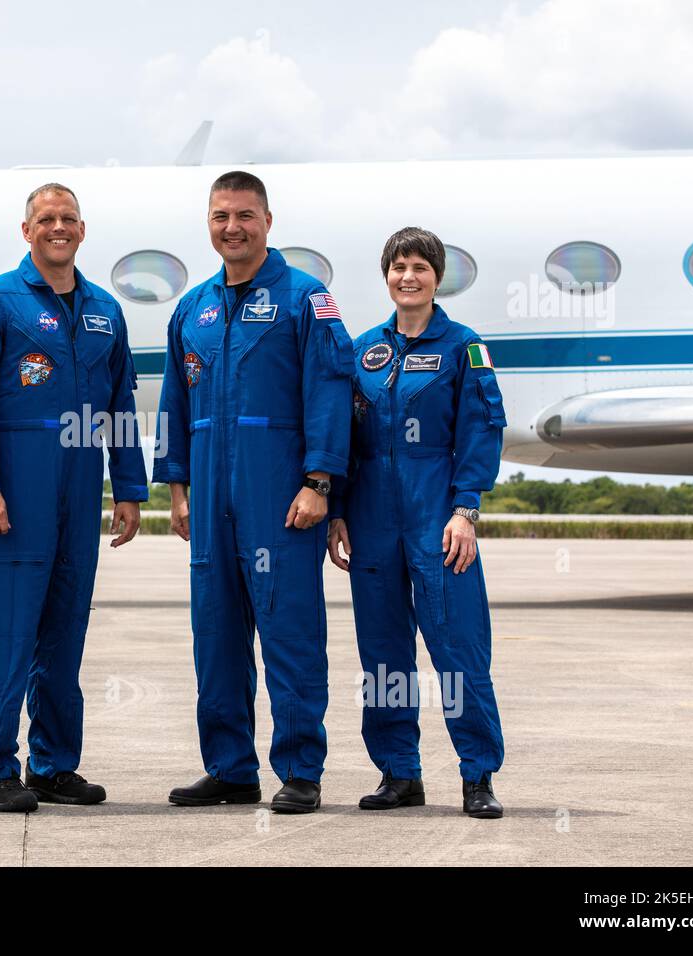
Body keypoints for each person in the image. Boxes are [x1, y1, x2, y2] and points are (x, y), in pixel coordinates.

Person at [154, 171, 354, 814]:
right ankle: (231, 768)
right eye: (220, 217)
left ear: (268, 220)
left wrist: (319, 482)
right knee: (214, 634)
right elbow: (175, 404)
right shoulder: (194, 308)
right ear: (208, 224)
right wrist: (177, 485)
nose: (232, 227)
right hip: (211, 498)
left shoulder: (305, 299)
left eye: (244, 215)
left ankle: (300, 769)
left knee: (290, 629)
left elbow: (330, 390)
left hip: (280, 496)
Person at [0, 183, 147, 813]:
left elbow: (121, 404)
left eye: (67, 219)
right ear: (26, 229)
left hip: (81, 486)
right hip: (16, 487)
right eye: (45, 219)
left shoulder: (104, 311)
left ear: (82, 231)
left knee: (65, 631)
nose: (57, 228)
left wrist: (129, 488)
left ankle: (54, 764)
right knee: (8, 633)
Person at [327, 226, 507, 819]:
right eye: (398, 267)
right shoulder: (362, 352)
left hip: (437, 513)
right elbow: (343, 440)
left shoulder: (463, 347)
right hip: (372, 514)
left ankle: (477, 776)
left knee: (457, 648)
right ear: (386, 277)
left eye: (420, 267)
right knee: (383, 653)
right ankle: (399, 773)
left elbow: (481, 429)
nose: (408, 277)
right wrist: (339, 513)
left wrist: (466, 509)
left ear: (437, 277)